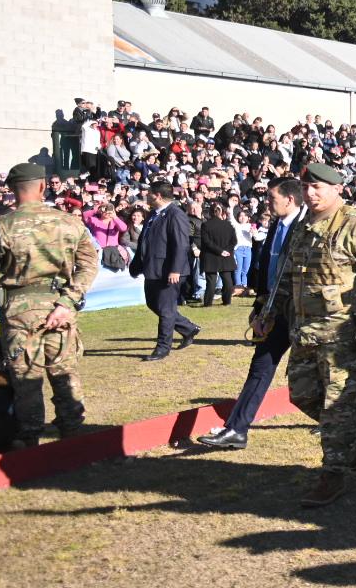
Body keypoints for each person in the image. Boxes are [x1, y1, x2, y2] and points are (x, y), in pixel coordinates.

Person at [263, 162, 356, 507]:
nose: (311, 194)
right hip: (305, 331)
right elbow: (287, 276)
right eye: (306, 187)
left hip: (343, 334)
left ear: (337, 189)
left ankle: (333, 474)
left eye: (318, 188)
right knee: (302, 395)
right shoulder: (302, 227)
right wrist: (268, 311)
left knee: (336, 405)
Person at [0, 163, 100, 445]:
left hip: (18, 312)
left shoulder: (0, 226)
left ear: (11, 190)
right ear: (43, 186)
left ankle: (29, 440)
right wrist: (68, 301)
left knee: (25, 380)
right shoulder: (69, 222)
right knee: (65, 373)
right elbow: (89, 265)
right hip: (59, 310)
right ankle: (73, 434)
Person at [196, 179, 305, 451]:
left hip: (303, 313)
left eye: (272, 197)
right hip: (274, 310)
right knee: (261, 366)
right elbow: (267, 267)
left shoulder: (308, 225)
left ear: (290, 199)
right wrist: (259, 306)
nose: (267, 203)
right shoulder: (276, 225)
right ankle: (236, 429)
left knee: (313, 377)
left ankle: (352, 426)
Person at [129, 179, 200, 362]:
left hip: (170, 271)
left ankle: (162, 348)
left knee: (166, 309)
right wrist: (137, 265)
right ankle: (188, 328)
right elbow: (144, 242)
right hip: (153, 269)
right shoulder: (154, 214)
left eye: (150, 193)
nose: (147, 196)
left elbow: (181, 244)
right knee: (154, 304)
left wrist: (175, 269)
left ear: (158, 195)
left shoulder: (175, 214)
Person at [198, 201, 238, 307]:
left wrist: (220, 251)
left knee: (211, 281)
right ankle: (227, 301)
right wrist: (226, 251)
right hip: (226, 256)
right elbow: (234, 241)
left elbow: (206, 242)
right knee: (227, 280)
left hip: (211, 256)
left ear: (210, 213)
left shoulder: (206, 225)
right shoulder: (228, 225)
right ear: (221, 213)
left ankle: (208, 303)